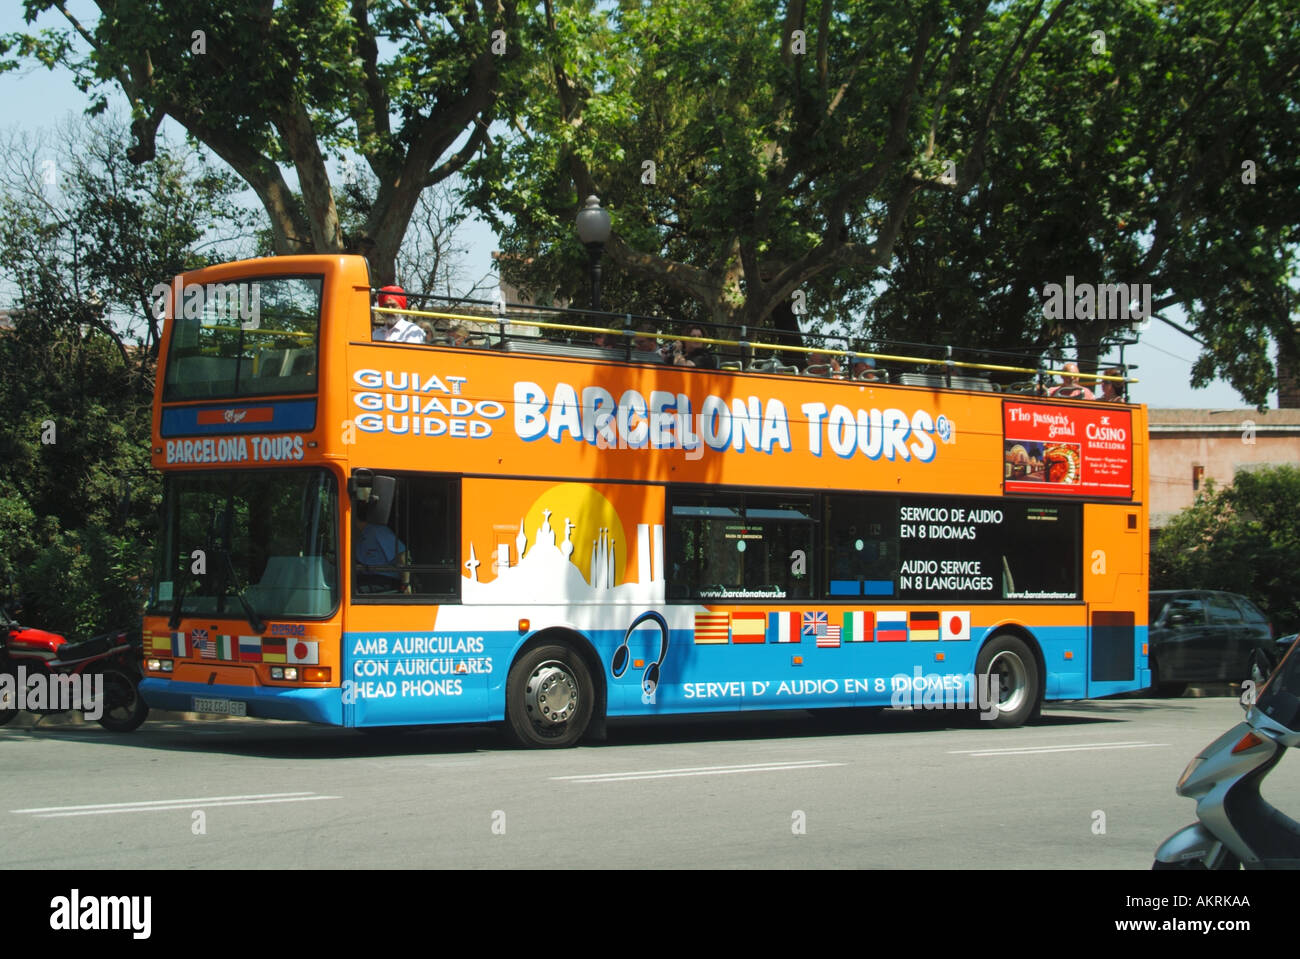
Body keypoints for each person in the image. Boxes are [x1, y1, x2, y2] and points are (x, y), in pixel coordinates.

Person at [354, 509, 409, 593]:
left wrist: (405, 584)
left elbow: (401, 553)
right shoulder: (358, 538)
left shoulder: (379, 531)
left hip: (385, 579)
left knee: (354, 592)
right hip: (367, 577)